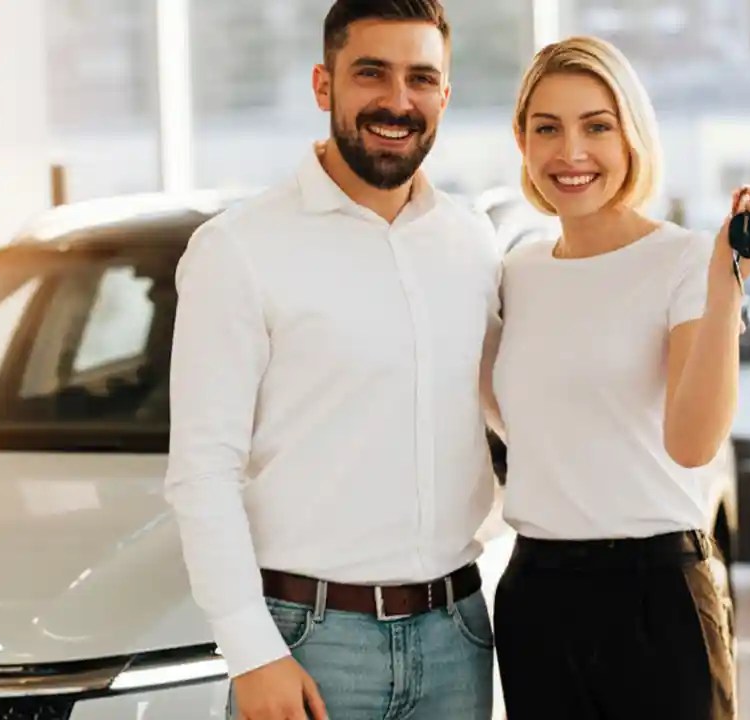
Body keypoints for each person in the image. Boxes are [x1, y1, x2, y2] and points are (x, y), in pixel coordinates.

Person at [163, 2, 503, 718]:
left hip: (459, 635)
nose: (397, 101)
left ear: (444, 94)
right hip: (309, 645)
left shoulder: (472, 242)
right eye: (371, 74)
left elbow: (525, 405)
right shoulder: (239, 249)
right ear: (325, 85)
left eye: (420, 78)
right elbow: (202, 474)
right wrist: (253, 654)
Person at [490, 36, 750, 719]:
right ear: (522, 140)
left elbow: (692, 443)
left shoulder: (685, 261)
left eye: (597, 125)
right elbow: (522, 418)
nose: (571, 153)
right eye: (547, 128)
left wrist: (725, 283)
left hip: (655, 594)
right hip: (535, 593)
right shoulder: (517, 272)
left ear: (633, 136)